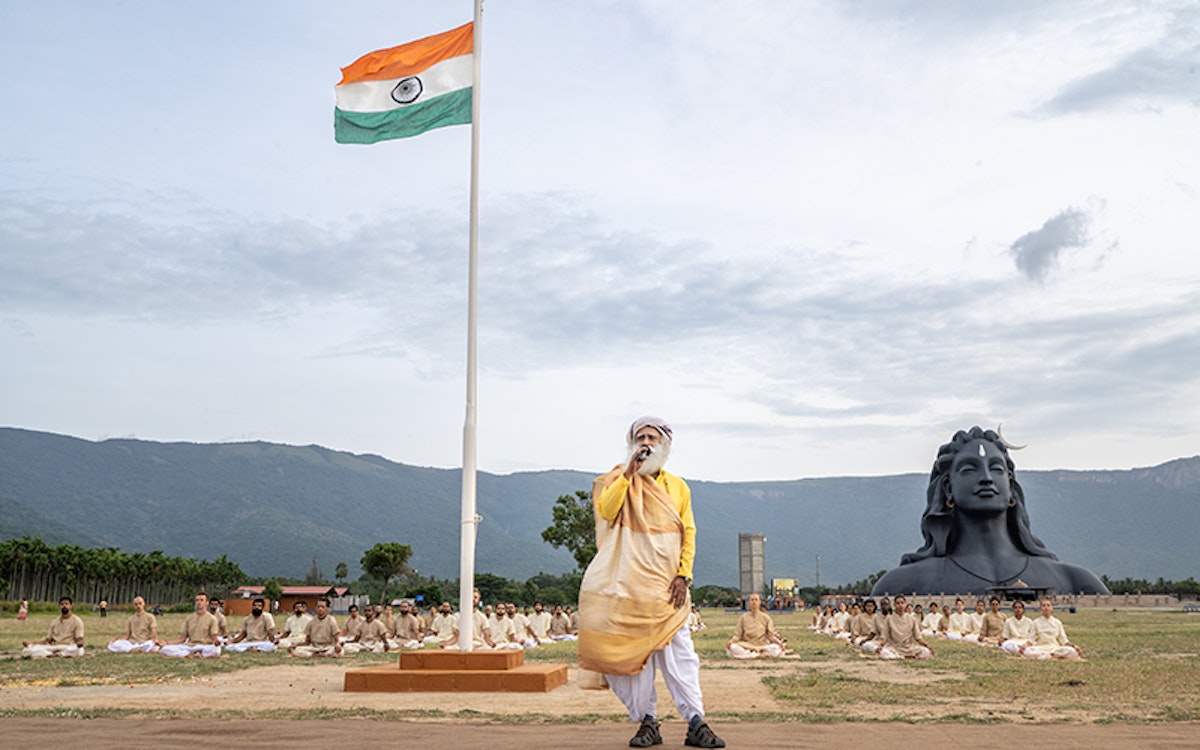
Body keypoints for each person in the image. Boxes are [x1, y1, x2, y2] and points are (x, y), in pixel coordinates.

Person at [577, 416, 725, 749]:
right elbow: (607, 510)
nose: (646, 442)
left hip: (667, 589)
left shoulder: (679, 486)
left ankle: (696, 722)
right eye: (640, 437)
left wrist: (684, 575)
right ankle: (647, 722)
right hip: (627, 589)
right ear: (631, 444)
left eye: (652, 438)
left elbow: (688, 533)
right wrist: (629, 473)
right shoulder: (619, 479)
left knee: (681, 658)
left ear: (665, 445)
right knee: (630, 661)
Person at [871, 427, 1109, 596]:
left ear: (1011, 488)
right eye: (969, 470)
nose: (986, 479)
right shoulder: (903, 583)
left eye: (996, 469)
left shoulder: (1075, 580)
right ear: (948, 490)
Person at [161, 592, 221, 658]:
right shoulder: (189, 618)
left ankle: (196, 654)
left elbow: (214, 637)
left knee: (216, 650)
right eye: (197, 600)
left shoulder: (212, 619)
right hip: (190, 646)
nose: (199, 602)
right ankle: (191, 655)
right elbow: (182, 638)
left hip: (205, 646)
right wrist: (167, 642)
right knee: (165, 649)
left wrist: (216, 642)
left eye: (201, 600)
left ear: (207, 603)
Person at [726, 593, 786, 659]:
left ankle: (751, 655)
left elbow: (771, 636)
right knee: (731, 648)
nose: (754, 602)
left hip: (762, 645)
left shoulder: (766, 618)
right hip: (746, 645)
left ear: (759, 602)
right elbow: (737, 636)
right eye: (752, 600)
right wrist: (730, 642)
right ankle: (757, 655)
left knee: (776, 648)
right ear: (749, 602)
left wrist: (779, 644)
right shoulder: (743, 617)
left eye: (756, 600)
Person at [876, 595, 933, 660]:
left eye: (902, 603)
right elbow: (885, 636)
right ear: (894, 605)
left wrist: (927, 645)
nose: (900, 605)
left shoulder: (912, 619)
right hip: (894, 647)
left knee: (926, 651)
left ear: (905, 604)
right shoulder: (889, 619)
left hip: (909, 647)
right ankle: (905, 657)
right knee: (884, 653)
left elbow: (917, 637)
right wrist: (881, 646)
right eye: (898, 603)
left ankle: (901, 657)